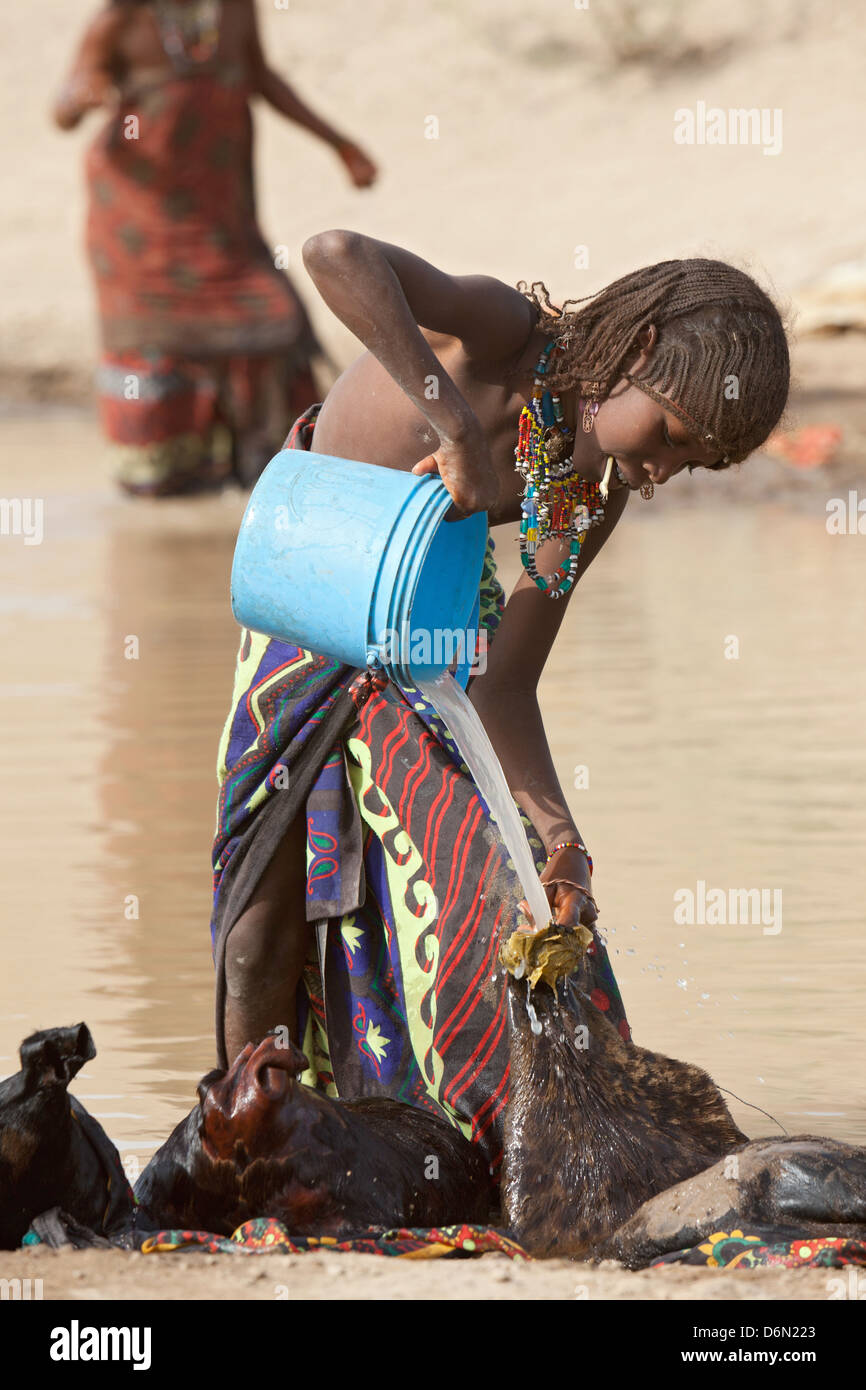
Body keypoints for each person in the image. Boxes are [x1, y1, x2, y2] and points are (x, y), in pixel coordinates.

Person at [210, 231, 790, 1171]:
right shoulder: (502, 336)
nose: (665, 473)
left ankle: (494, 1150)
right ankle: (246, 1154)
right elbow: (337, 255)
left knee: (489, 890)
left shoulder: (583, 498)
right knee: (260, 923)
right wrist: (455, 431)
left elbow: (508, 685)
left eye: (697, 466)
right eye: (674, 436)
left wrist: (564, 845)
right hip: (307, 594)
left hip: (430, 641)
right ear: (637, 355)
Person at [52, 1, 377, 496]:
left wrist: (340, 144)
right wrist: (82, 95)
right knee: (158, 340)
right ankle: (166, 486)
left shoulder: (234, 10)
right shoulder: (120, 19)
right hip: (137, 217)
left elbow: (263, 79)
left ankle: (276, 477)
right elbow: (64, 108)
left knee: (274, 319)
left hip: (219, 213)